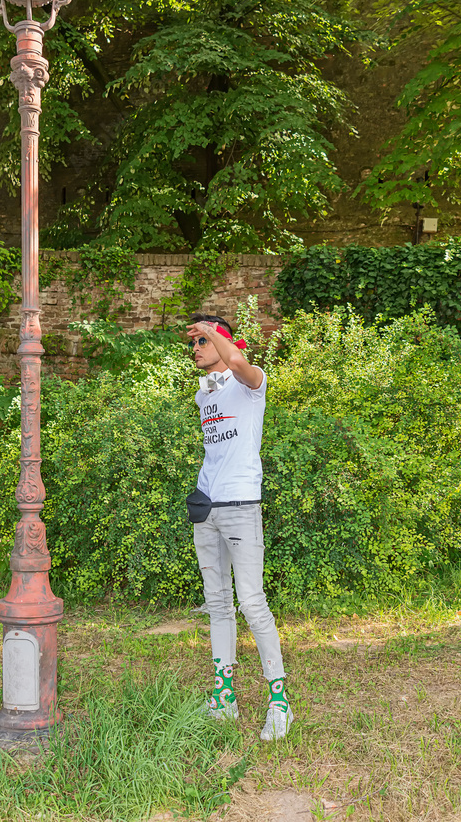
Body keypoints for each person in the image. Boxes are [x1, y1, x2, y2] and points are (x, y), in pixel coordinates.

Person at [186, 312, 293, 741]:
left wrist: (211, 332)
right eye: (193, 342)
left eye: (202, 341)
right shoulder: (204, 393)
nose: (195, 348)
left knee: (251, 602)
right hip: (206, 508)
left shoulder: (251, 383)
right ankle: (224, 698)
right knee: (217, 604)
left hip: (241, 505)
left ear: (223, 340)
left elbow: (237, 363)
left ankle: (280, 704)